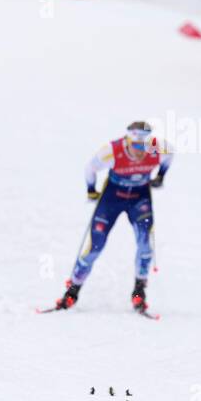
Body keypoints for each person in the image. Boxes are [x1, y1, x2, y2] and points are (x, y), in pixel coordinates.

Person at [54, 121, 172, 315]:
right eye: (135, 145)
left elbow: (170, 154)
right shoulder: (112, 150)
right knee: (95, 245)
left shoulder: (157, 148)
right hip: (112, 198)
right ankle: (72, 291)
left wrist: (161, 176)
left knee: (145, 244)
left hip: (139, 198)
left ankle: (139, 292)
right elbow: (90, 168)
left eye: (143, 145)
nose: (140, 151)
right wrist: (91, 190)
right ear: (127, 141)